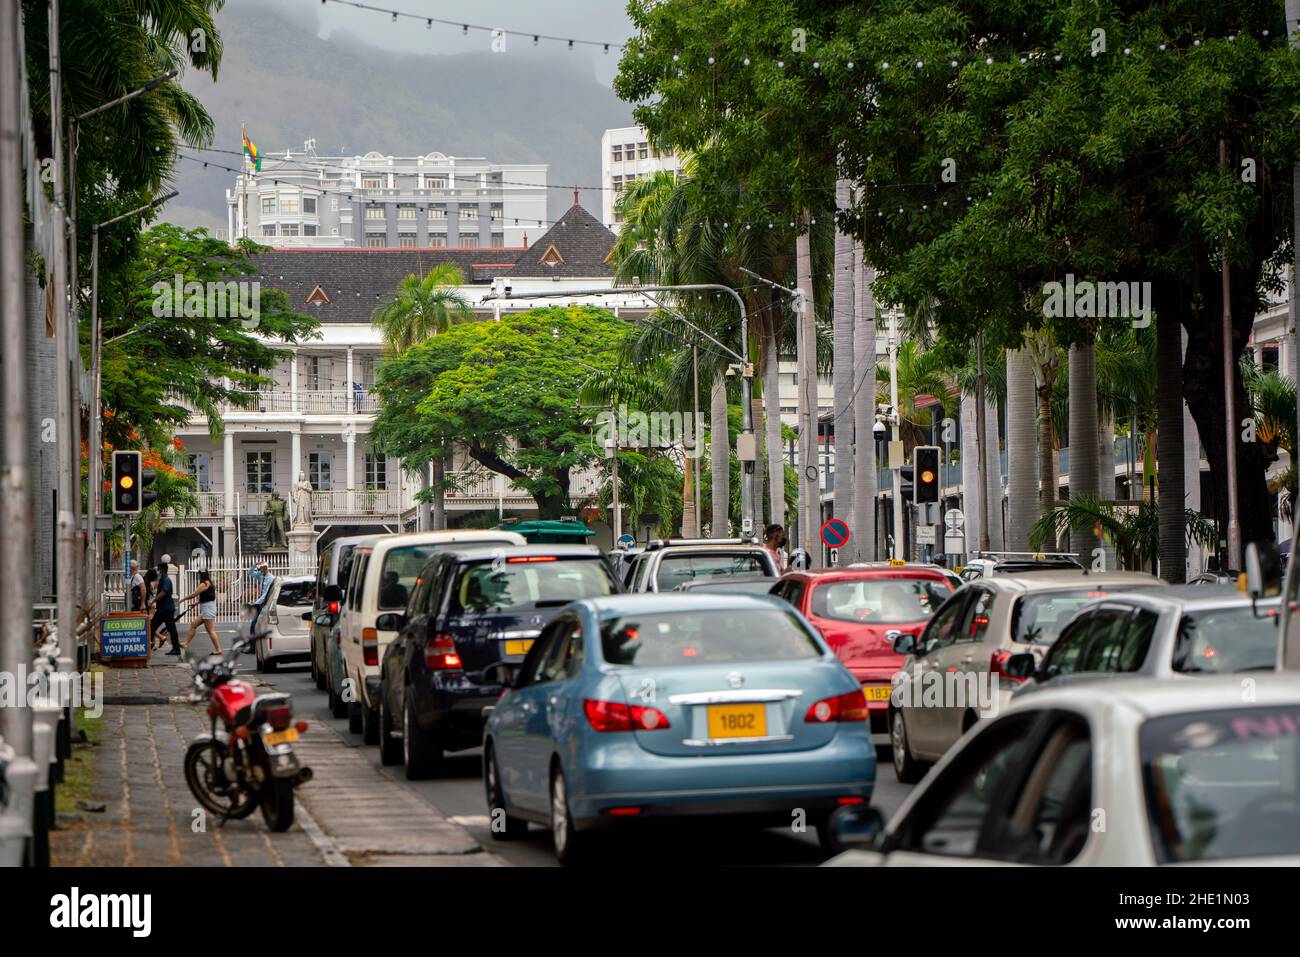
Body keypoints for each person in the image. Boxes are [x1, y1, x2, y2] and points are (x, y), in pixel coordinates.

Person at [181, 571, 222, 654]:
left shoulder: (204, 584)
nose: (198, 577)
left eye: (199, 575)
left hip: (208, 609)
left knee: (210, 630)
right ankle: (186, 643)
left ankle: (218, 650)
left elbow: (194, 594)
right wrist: (196, 604)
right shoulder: (209, 583)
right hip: (207, 608)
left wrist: (183, 599)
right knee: (193, 625)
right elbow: (207, 597)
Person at [154, 560, 181, 656]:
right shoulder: (162, 579)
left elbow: (163, 592)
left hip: (166, 609)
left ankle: (176, 649)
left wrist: (154, 600)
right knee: (152, 626)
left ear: (162, 570)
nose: (157, 571)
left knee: (171, 629)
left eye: (158, 569)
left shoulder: (166, 580)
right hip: (162, 609)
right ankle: (149, 645)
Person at [246, 562, 276, 637]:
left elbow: (266, 594)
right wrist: (255, 565)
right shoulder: (261, 575)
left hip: (265, 603)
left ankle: (259, 638)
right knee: (254, 623)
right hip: (260, 603)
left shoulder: (271, 578)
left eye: (261, 569)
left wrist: (256, 602)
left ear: (265, 569)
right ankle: (253, 639)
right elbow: (250, 573)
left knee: (262, 622)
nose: (259, 571)